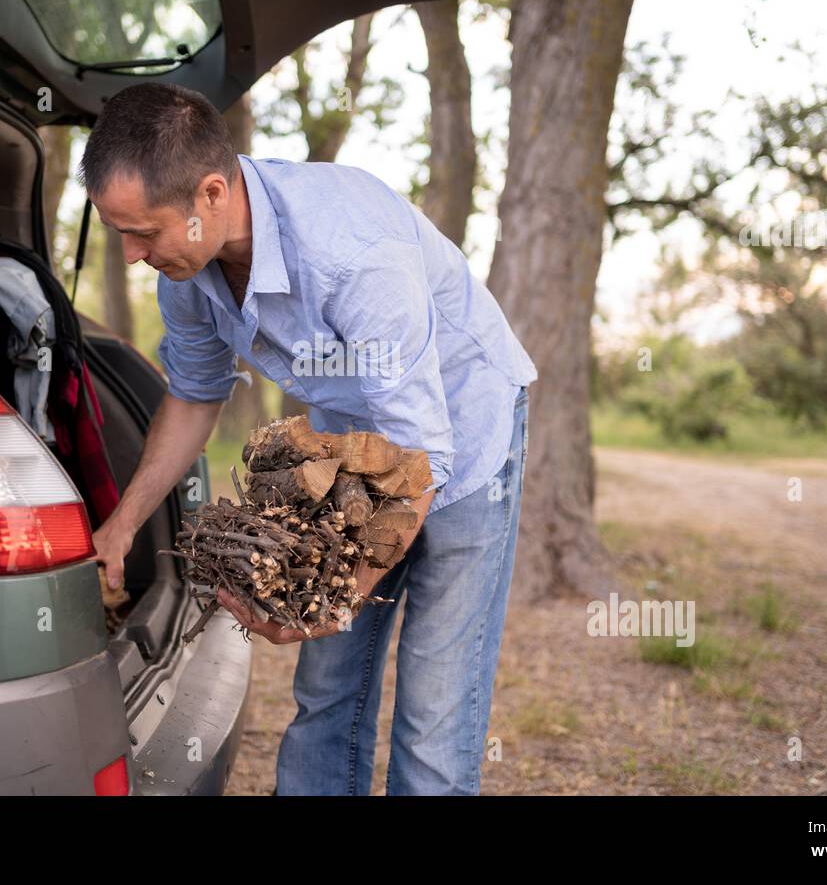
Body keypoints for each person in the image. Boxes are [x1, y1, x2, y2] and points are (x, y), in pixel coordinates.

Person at [81, 82, 536, 795]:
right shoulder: (188, 274)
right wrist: (122, 525)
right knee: (326, 692)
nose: (133, 254)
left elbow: (421, 461)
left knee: (433, 716)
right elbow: (196, 396)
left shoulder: (355, 255)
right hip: (349, 448)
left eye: (146, 231)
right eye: (120, 234)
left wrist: (336, 599)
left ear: (210, 195)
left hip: (461, 439)